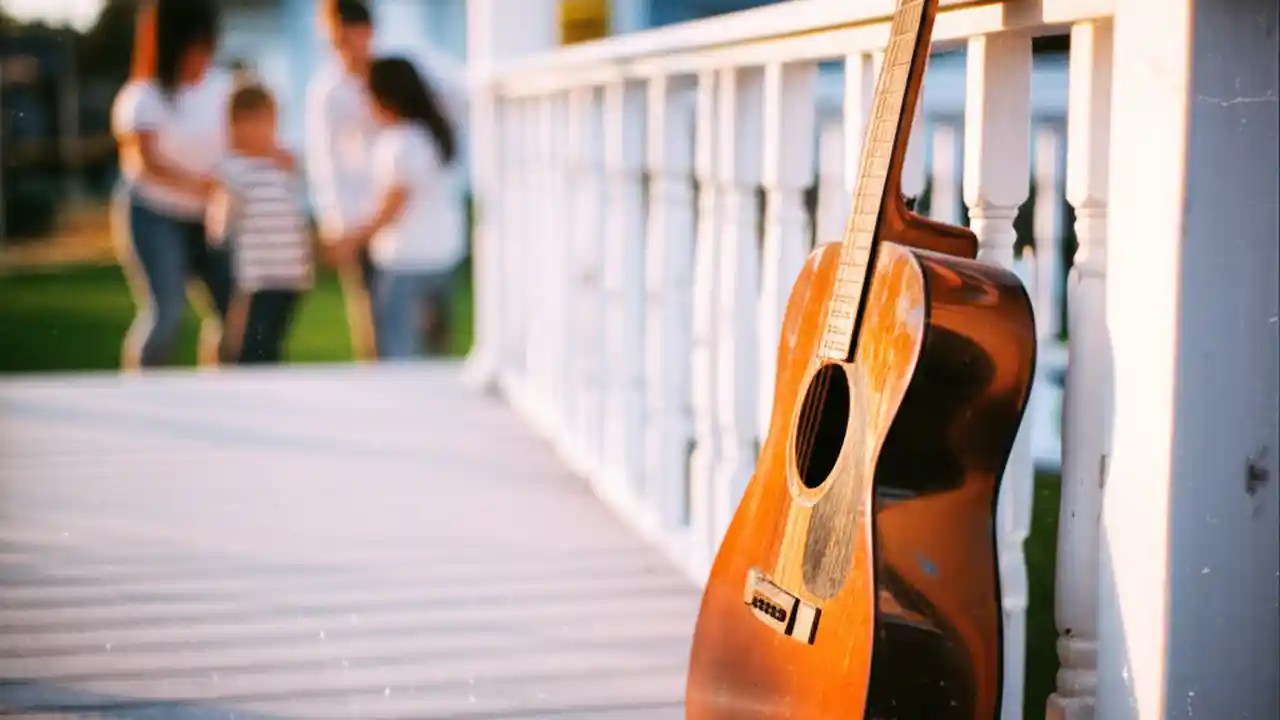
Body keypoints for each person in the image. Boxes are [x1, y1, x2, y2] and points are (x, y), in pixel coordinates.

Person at [111, 0, 231, 369]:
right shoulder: (142, 97)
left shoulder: (223, 89)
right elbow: (144, 162)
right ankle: (140, 396)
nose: (202, 59)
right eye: (195, 49)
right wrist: (204, 186)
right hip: (154, 214)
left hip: (207, 220)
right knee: (167, 313)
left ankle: (227, 392)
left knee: (234, 309)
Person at [327, 57, 464, 359]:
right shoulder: (435, 136)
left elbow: (392, 207)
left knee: (397, 355)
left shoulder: (399, 143)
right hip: (442, 259)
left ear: (385, 99)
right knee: (436, 354)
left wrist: (351, 240)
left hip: (405, 263)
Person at [207, 83, 313, 365]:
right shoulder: (233, 169)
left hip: (289, 270)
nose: (262, 130)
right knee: (253, 343)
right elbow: (220, 224)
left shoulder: (287, 165)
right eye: (252, 122)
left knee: (274, 338)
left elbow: (300, 210)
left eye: (267, 121)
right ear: (235, 126)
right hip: (256, 273)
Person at [306, 0, 379, 360]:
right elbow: (324, 163)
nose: (343, 50)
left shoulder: (395, 74)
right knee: (369, 311)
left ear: (367, 32)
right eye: (335, 42)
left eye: (347, 39)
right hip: (357, 220)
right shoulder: (328, 91)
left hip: (400, 213)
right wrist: (336, 222)